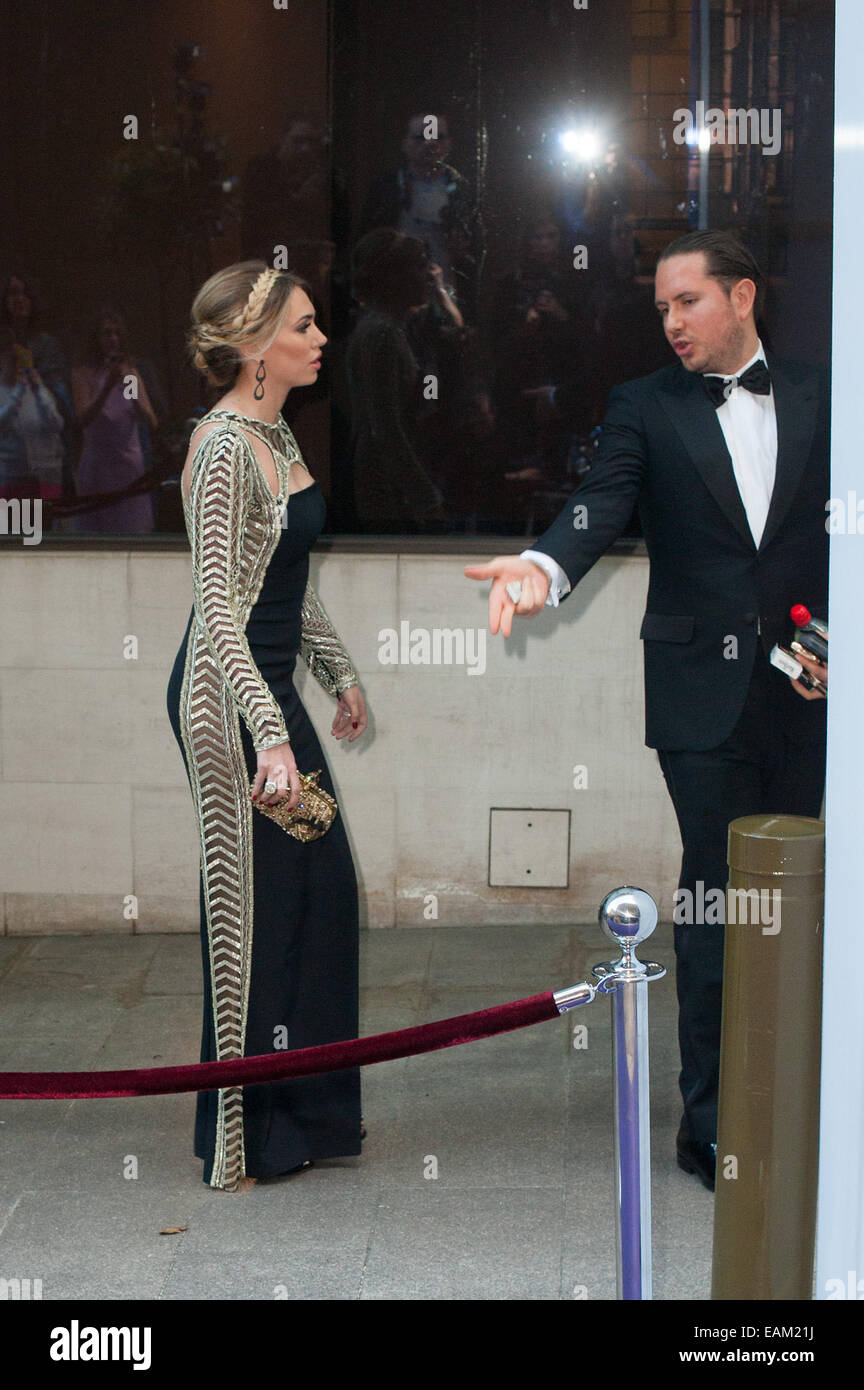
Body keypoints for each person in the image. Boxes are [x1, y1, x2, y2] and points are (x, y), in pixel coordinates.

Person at [466, 230, 829, 1191]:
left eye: (688, 303)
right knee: (718, 897)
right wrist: (543, 568)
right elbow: (600, 502)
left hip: (811, 692)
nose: (670, 323)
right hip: (700, 704)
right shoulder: (645, 407)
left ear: (742, 296)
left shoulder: (824, 392)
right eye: (661, 308)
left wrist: (839, 644)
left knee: (812, 900)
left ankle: (810, 1102)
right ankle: (712, 1126)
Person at [166, 260, 368, 1191]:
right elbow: (217, 607)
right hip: (226, 701)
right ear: (253, 346)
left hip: (273, 694)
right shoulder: (219, 449)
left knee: (319, 896)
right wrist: (270, 732)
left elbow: (287, 586)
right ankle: (238, 1149)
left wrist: (339, 677)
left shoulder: (276, 435)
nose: (319, 338)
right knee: (249, 916)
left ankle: (306, 1116)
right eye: (303, 325)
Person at [71, 309, 160, 533]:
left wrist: (128, 384)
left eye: (116, 334)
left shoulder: (129, 373)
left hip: (129, 469)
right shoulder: (83, 373)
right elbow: (83, 419)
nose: (113, 339)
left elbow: (148, 419)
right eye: (106, 334)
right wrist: (107, 386)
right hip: (99, 468)